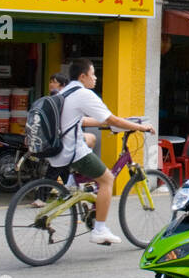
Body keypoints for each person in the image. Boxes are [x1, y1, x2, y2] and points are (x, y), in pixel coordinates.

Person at [47, 58, 154, 245]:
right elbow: (113, 120)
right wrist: (141, 127)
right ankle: (100, 229)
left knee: (93, 159)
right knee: (107, 179)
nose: (95, 78)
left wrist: (108, 122)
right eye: (93, 74)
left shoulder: (66, 92)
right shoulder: (84, 94)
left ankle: (74, 184)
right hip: (73, 150)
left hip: (59, 149)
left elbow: (84, 121)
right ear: (83, 76)